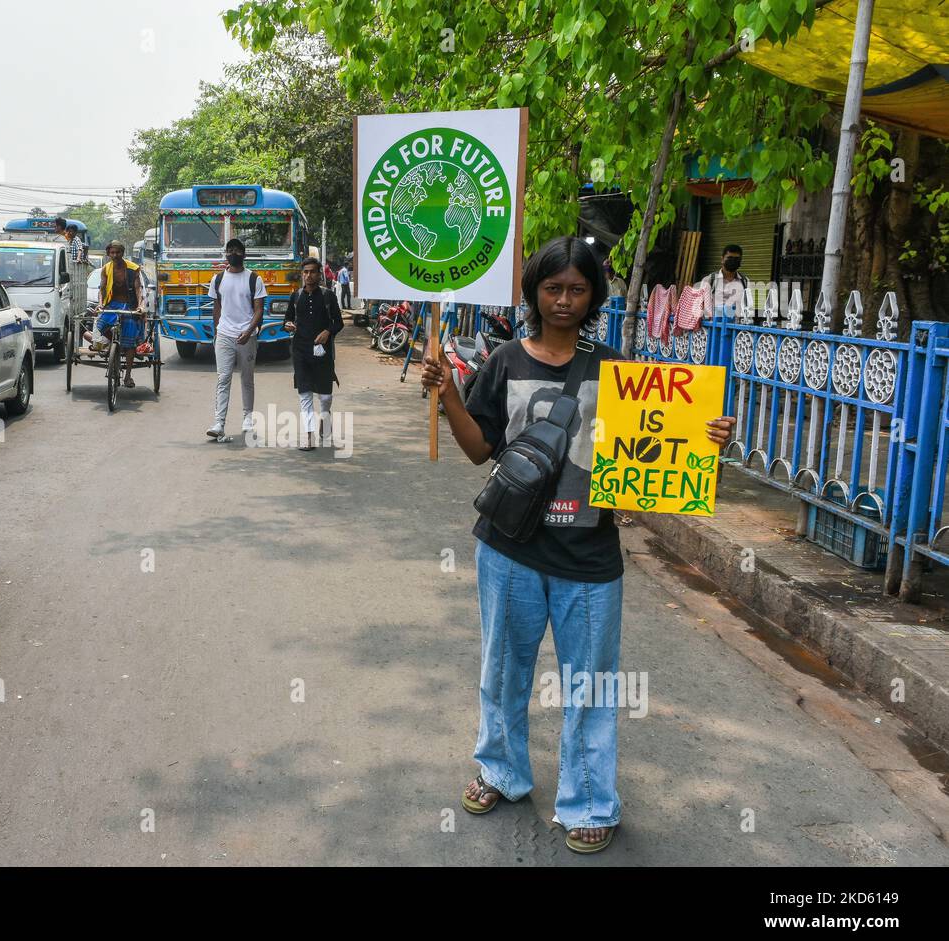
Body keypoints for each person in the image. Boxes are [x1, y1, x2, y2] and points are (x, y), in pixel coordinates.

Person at [421, 236, 735, 854]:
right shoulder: (507, 359)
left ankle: (588, 799)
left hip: (590, 558)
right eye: (552, 288)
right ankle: (499, 771)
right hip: (508, 551)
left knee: (590, 684)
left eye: (577, 289)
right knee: (503, 672)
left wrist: (705, 440)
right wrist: (449, 397)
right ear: (534, 292)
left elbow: (655, 463)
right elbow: (480, 450)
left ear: (593, 296)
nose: (564, 300)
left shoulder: (618, 371)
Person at [206, 237, 266, 441]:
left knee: (247, 379)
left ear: (244, 254)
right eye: (230, 250)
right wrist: (217, 332)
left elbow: (259, 310)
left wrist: (249, 331)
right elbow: (217, 307)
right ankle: (219, 423)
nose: (233, 253)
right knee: (223, 378)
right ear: (226, 254)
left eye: (237, 250)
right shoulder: (218, 279)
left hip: (247, 336)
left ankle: (247, 417)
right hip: (224, 335)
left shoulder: (254, 279)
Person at [283, 257, 343, 451]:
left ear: (319, 274)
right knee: (305, 394)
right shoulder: (296, 295)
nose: (308, 276)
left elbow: (338, 322)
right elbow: (287, 320)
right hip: (300, 351)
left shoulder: (328, 296)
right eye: (305, 272)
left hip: (322, 353)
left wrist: (328, 332)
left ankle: (325, 419)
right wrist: (288, 325)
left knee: (325, 397)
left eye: (312, 272)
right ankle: (308, 437)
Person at [84, 240, 145, 388]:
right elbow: (102, 289)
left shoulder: (133, 268)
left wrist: (140, 306)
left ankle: (128, 376)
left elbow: (138, 290)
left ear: (122, 253)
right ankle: (114, 344)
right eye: (112, 252)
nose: (115, 255)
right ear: (108, 253)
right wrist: (100, 304)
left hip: (129, 305)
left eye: (118, 252)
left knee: (130, 342)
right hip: (112, 304)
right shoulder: (106, 268)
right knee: (100, 324)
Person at [698, 243, 752, 318]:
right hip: (713, 327)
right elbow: (700, 305)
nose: (733, 261)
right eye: (730, 258)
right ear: (722, 259)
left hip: (736, 326)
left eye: (736, 259)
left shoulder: (745, 282)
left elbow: (748, 306)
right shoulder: (709, 280)